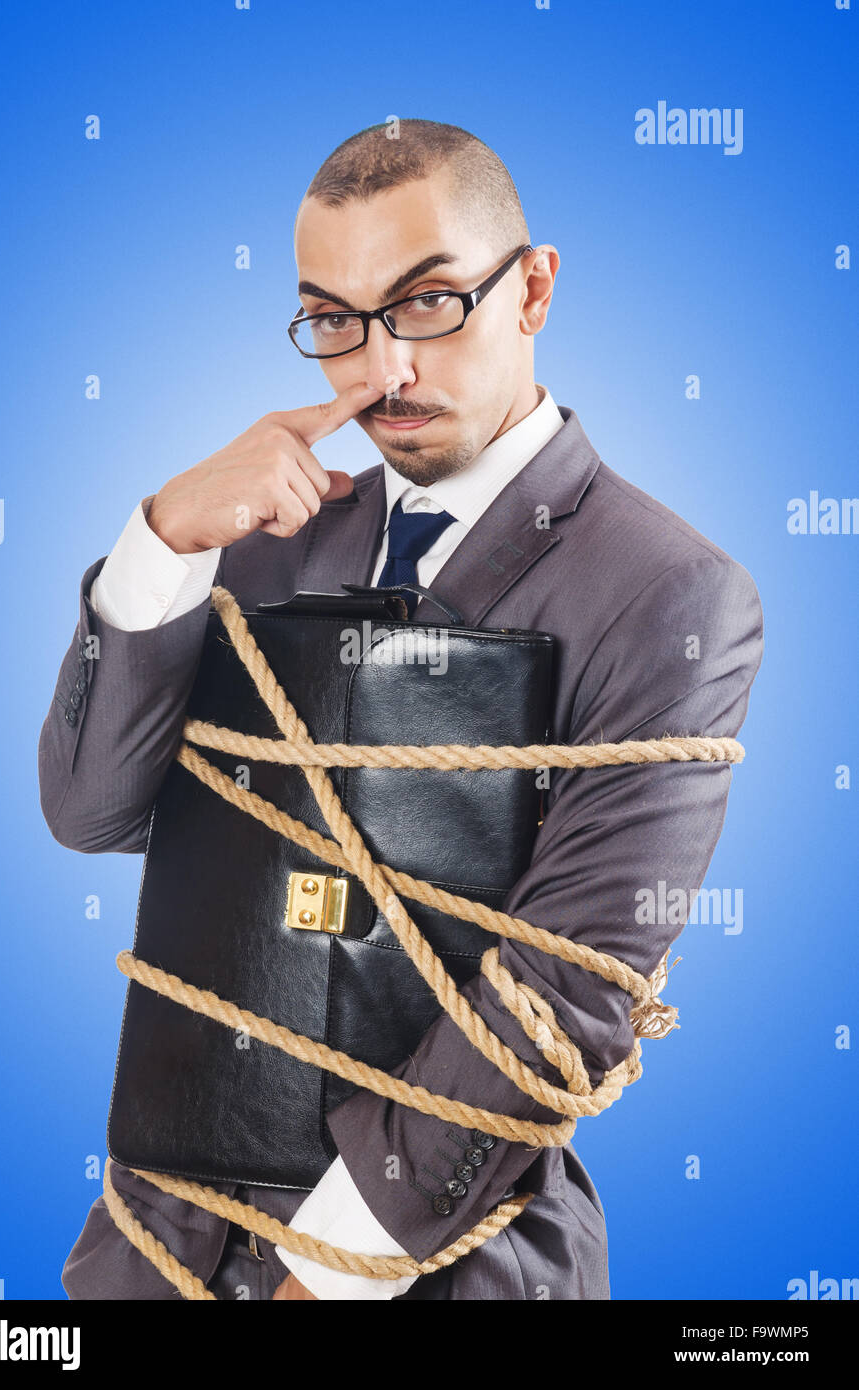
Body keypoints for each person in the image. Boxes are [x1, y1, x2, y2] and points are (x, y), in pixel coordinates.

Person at [39, 118, 764, 1300]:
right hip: (153, 1242)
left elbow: (569, 997)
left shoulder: (672, 593)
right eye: (334, 319)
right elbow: (87, 810)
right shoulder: (260, 531)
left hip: (440, 1259)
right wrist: (159, 540)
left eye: (427, 303)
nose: (381, 371)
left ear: (532, 289)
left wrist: (323, 1277)